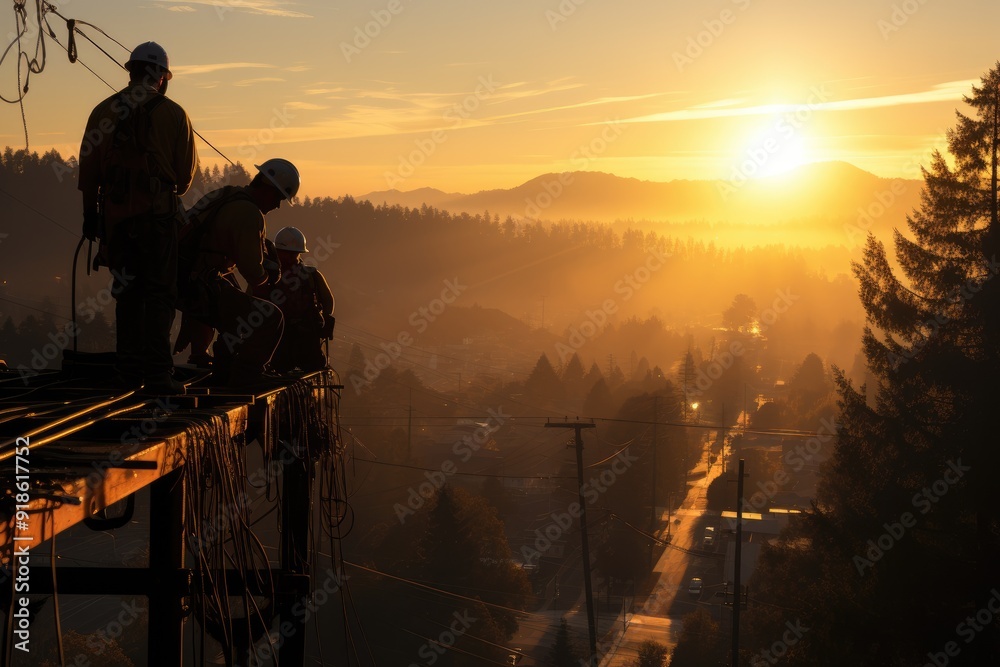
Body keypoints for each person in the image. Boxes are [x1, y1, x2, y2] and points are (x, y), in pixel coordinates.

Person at [77, 41, 197, 393]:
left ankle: (128, 375)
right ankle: (158, 376)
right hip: (157, 221)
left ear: (130, 71)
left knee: (127, 294)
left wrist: (90, 219)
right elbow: (184, 178)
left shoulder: (102, 110)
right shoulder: (174, 114)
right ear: (161, 76)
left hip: (116, 222)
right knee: (160, 295)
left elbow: (88, 173)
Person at [175, 159, 299, 386]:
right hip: (199, 285)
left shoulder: (226, 194)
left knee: (236, 301)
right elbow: (252, 271)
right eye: (279, 198)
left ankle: (224, 365)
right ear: (268, 189)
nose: (277, 206)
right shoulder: (250, 213)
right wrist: (268, 278)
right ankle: (246, 377)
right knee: (270, 318)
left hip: (182, 276)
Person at [267, 227, 335, 373]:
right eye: (287, 253)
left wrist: (325, 318)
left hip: (306, 335)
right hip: (278, 337)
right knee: (278, 369)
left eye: (294, 254)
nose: (290, 258)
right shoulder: (267, 276)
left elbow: (328, 301)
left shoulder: (312, 276)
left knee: (312, 366)